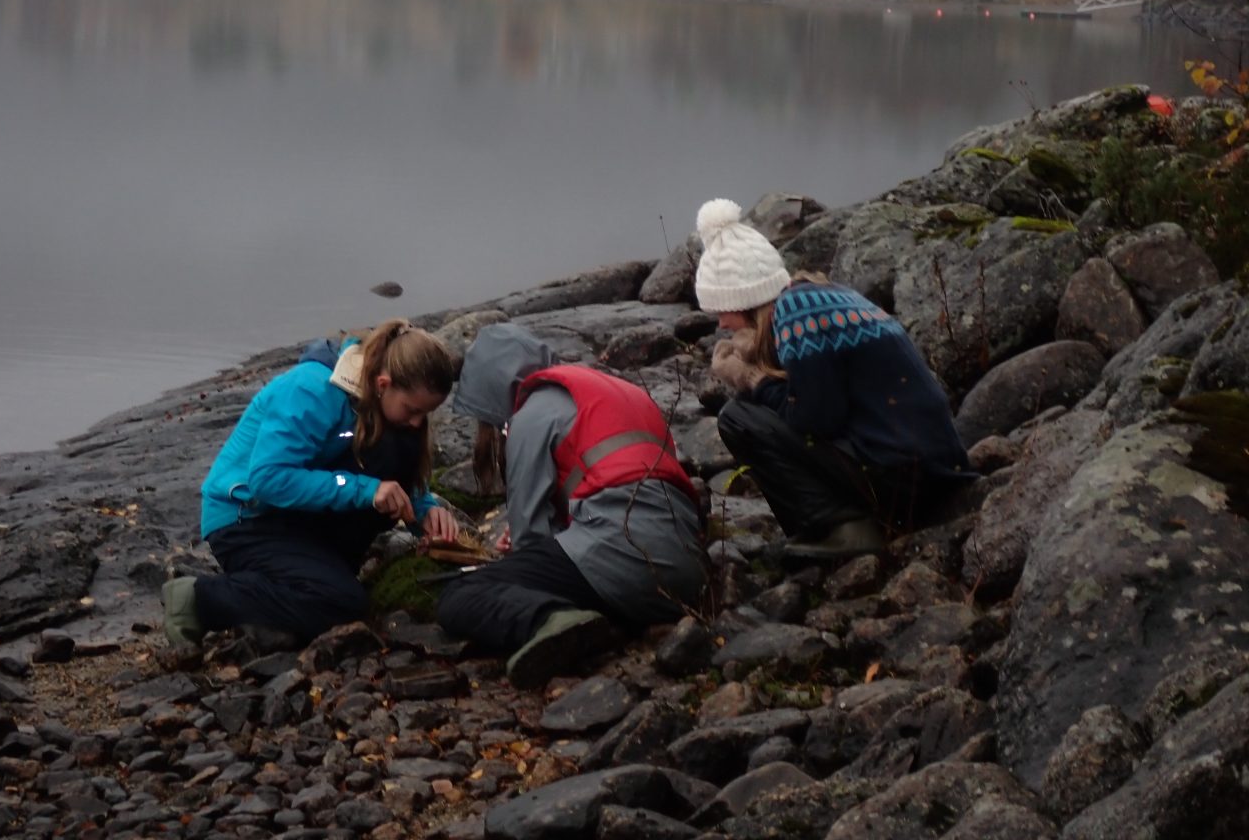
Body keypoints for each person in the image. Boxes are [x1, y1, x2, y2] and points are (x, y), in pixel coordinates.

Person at [694, 198, 973, 558]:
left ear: (745, 299)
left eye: (722, 310)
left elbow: (814, 420)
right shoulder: (821, 296)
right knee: (753, 406)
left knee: (738, 417)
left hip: (908, 478)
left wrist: (752, 377)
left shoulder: (796, 311)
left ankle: (841, 529)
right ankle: (845, 524)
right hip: (929, 467)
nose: (721, 323)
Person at [436, 323, 706, 689]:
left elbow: (530, 537)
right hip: (687, 572)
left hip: (622, 563)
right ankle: (602, 622)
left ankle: (553, 621)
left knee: (459, 595)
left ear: (490, 391)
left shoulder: (531, 415)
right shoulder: (613, 390)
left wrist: (526, 558)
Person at [162, 319, 459, 646]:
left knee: (396, 442)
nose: (417, 421)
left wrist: (424, 511)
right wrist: (366, 490)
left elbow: (395, 464)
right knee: (343, 604)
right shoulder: (312, 389)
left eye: (425, 413)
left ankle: (304, 579)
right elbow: (268, 479)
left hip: (297, 515)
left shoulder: (380, 398)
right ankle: (198, 598)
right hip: (246, 519)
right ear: (383, 384)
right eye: (412, 410)